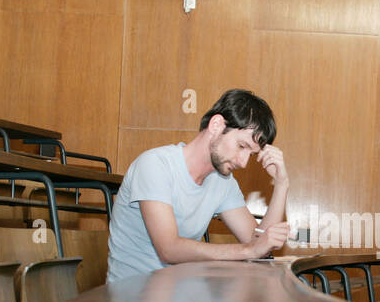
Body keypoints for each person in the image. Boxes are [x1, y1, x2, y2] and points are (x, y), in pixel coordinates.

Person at [106, 89, 292, 282]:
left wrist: (281, 184)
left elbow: (257, 243)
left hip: (180, 296)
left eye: (251, 155)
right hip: (133, 297)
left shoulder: (223, 182)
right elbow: (168, 249)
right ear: (216, 125)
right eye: (242, 146)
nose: (243, 163)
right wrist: (250, 250)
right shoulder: (155, 165)